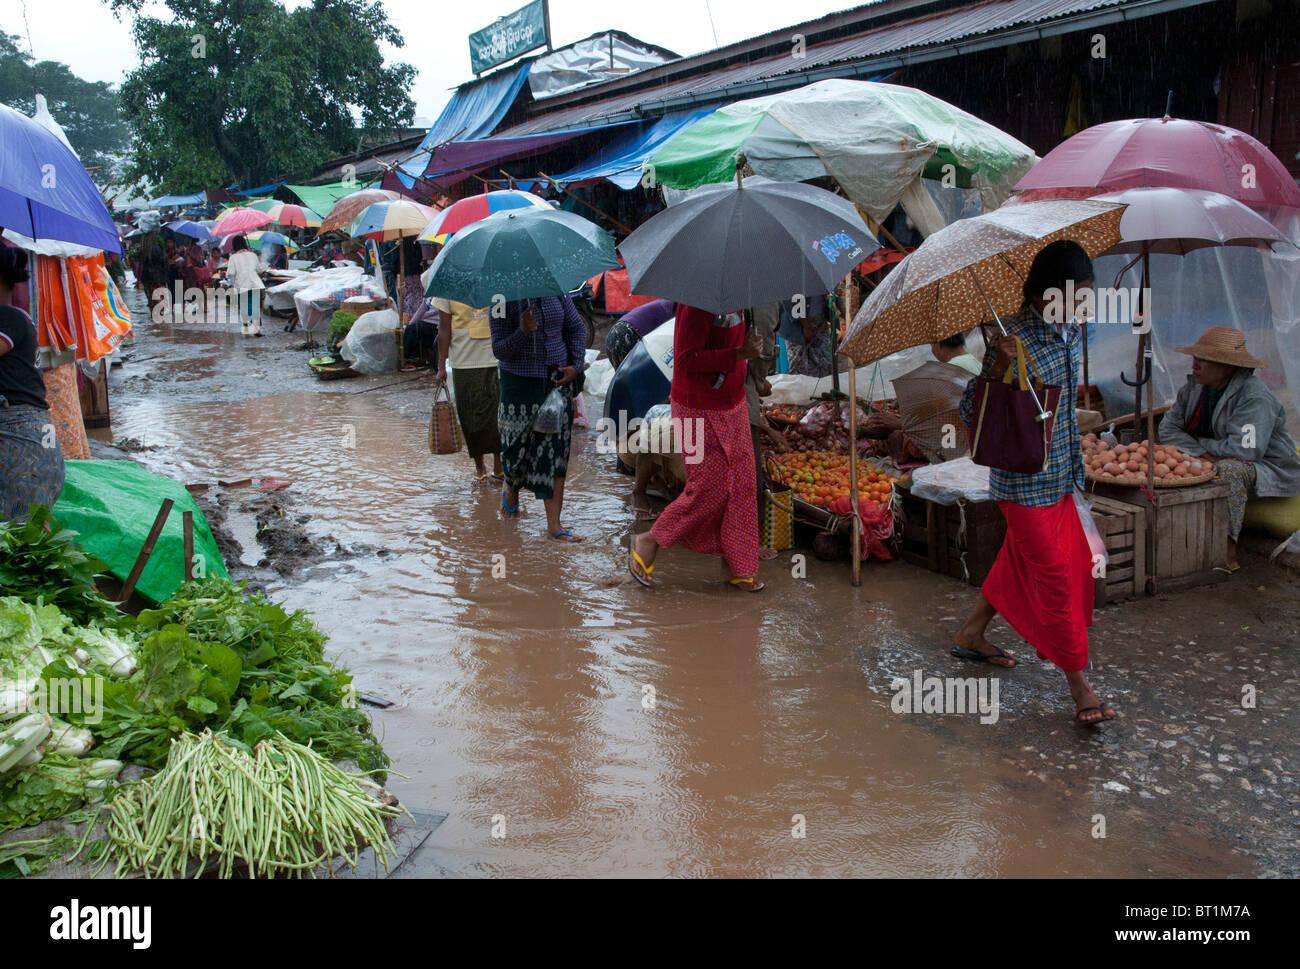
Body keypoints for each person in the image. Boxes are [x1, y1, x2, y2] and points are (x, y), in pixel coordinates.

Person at [954, 239, 1116, 725]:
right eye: (1079, 293)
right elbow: (969, 412)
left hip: (1061, 478)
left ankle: (970, 635)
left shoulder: (1065, 331)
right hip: (1024, 488)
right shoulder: (1011, 339)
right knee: (1059, 578)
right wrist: (1001, 366)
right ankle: (1079, 685)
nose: (1085, 304)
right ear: (1051, 292)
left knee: (1020, 562)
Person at [629, 305, 765, 592]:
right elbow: (686, 359)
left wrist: (748, 352)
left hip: (733, 401)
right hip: (696, 405)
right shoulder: (696, 303)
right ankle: (649, 540)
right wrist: (739, 355)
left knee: (742, 484)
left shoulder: (741, 296)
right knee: (708, 487)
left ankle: (737, 566)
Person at [1158, 326, 1300, 572]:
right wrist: (1203, 455)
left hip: (1266, 466)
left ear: (1226, 366)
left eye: (1204, 360)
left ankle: (1227, 553)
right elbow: (1168, 430)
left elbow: (1245, 451)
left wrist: (1199, 446)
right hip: (1215, 456)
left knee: (1230, 470)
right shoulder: (1193, 389)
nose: (1195, 365)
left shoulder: (1254, 396)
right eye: (1196, 358)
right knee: (1166, 456)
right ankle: (1179, 541)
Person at [490, 295, 586, 541]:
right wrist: (522, 331)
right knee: (516, 452)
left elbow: (576, 328)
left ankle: (554, 526)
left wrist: (575, 365)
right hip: (518, 387)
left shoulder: (556, 290)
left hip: (556, 383)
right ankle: (511, 489)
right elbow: (499, 349)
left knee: (554, 452)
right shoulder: (501, 299)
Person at [0, 247, 64, 521]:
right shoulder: (19, 316)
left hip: (22, 447)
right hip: (33, 441)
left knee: (17, 541)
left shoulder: (8, 319)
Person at [434, 292, 502, 482]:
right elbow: (444, 329)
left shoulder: (495, 280)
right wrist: (441, 367)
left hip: (495, 357)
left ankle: (499, 464)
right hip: (463, 361)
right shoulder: (447, 287)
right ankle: (479, 466)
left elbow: (506, 318)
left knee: (497, 414)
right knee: (469, 417)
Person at [604, 298, 675, 370]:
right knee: (635, 375)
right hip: (628, 334)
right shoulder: (674, 310)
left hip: (614, 331)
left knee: (621, 377)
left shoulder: (665, 303)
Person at [776, 294, 834, 377]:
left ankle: (822, 388)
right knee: (800, 370)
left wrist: (840, 304)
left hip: (820, 320)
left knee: (825, 365)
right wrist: (805, 324)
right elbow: (790, 297)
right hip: (797, 324)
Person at [225, 235, 265, 337]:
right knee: (254, 305)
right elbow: (260, 270)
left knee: (244, 306)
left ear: (234, 246)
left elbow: (231, 273)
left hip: (242, 284)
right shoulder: (253, 255)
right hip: (255, 282)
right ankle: (255, 328)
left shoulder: (233, 257)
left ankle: (247, 326)